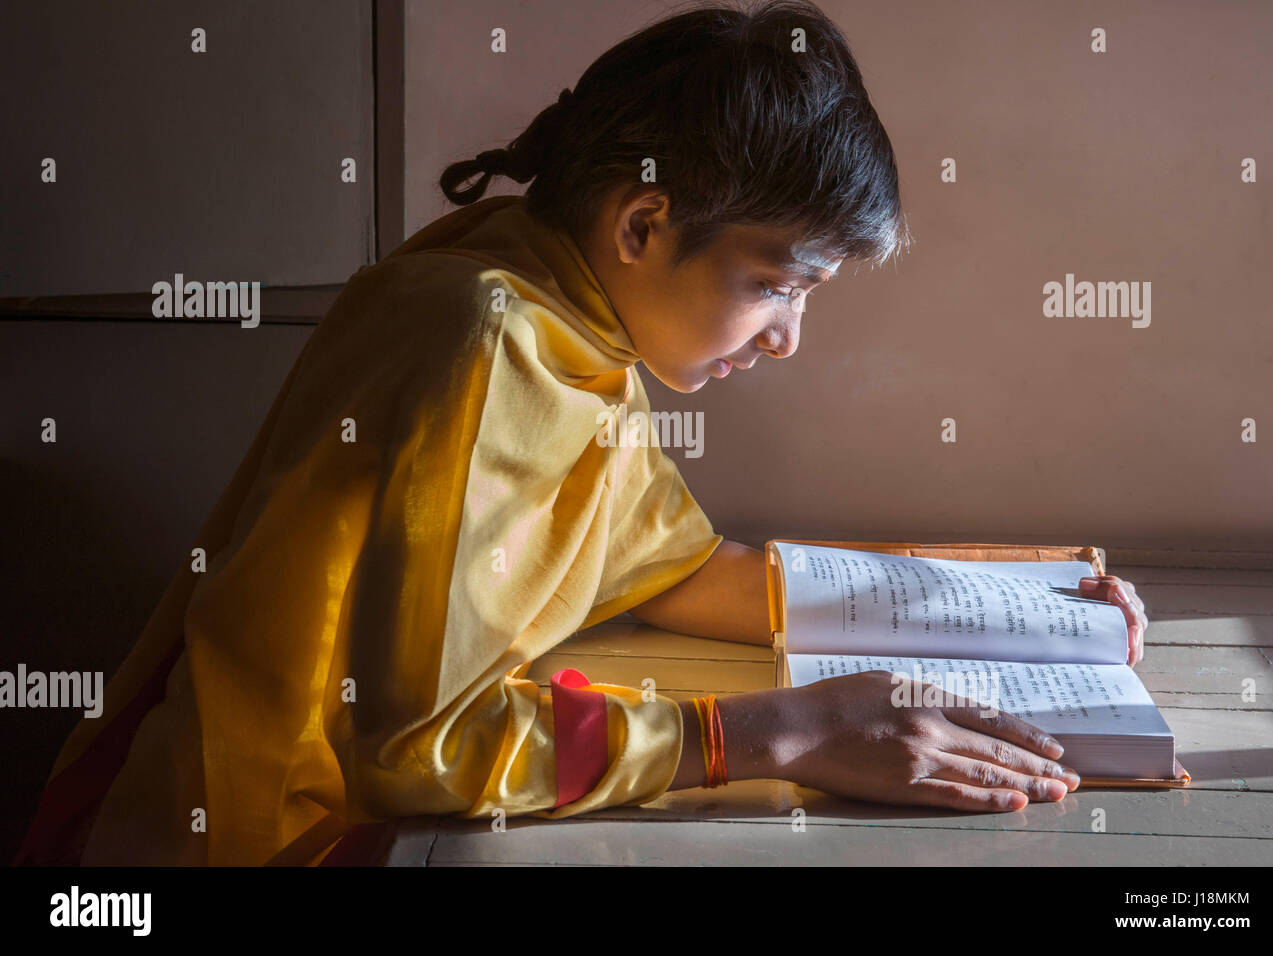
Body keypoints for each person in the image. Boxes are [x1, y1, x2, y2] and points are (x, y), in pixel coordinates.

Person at [16, 0, 1149, 866]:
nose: (787, 337)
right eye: (777, 284)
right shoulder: (487, 336)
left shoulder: (549, 296)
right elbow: (418, 745)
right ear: (644, 221)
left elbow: (679, 568)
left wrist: (1026, 606)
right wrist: (778, 730)